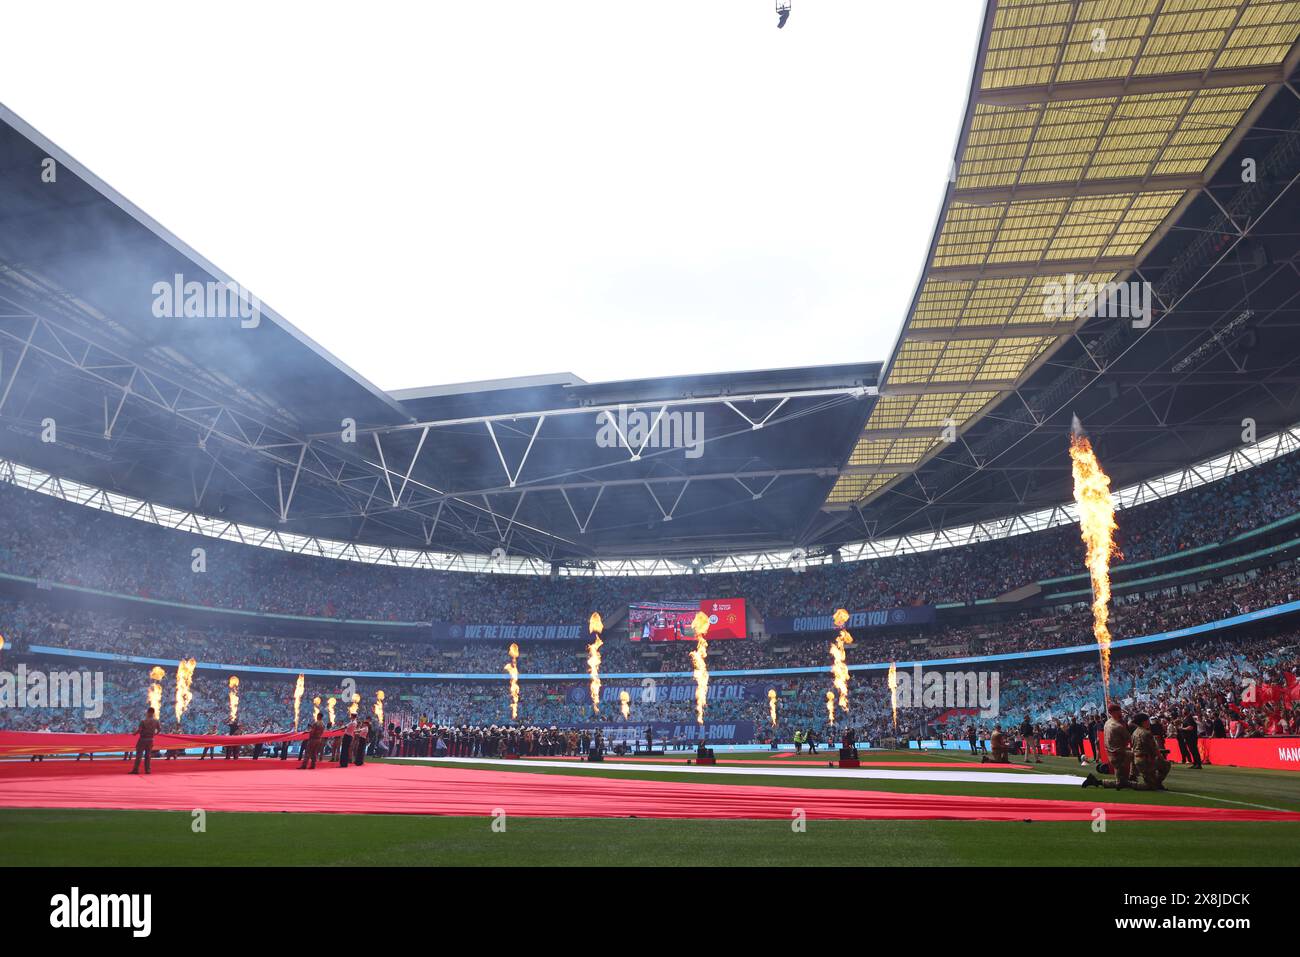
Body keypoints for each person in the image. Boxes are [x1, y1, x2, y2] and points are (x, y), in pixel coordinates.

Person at [1130, 714, 1172, 791]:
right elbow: (1154, 749)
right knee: (1166, 765)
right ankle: (1131, 784)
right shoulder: (1146, 733)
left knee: (1151, 783)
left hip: (1137, 760)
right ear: (1144, 722)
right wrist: (1161, 758)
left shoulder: (1134, 733)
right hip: (1147, 761)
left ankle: (1153, 782)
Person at [129, 707, 162, 775]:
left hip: (142, 740)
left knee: (139, 755)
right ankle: (148, 770)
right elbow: (159, 729)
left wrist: (134, 734)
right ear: (153, 713)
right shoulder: (156, 721)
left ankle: (136, 769)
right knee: (148, 756)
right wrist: (154, 734)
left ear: (148, 712)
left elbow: (139, 730)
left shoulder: (143, 721)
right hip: (151, 740)